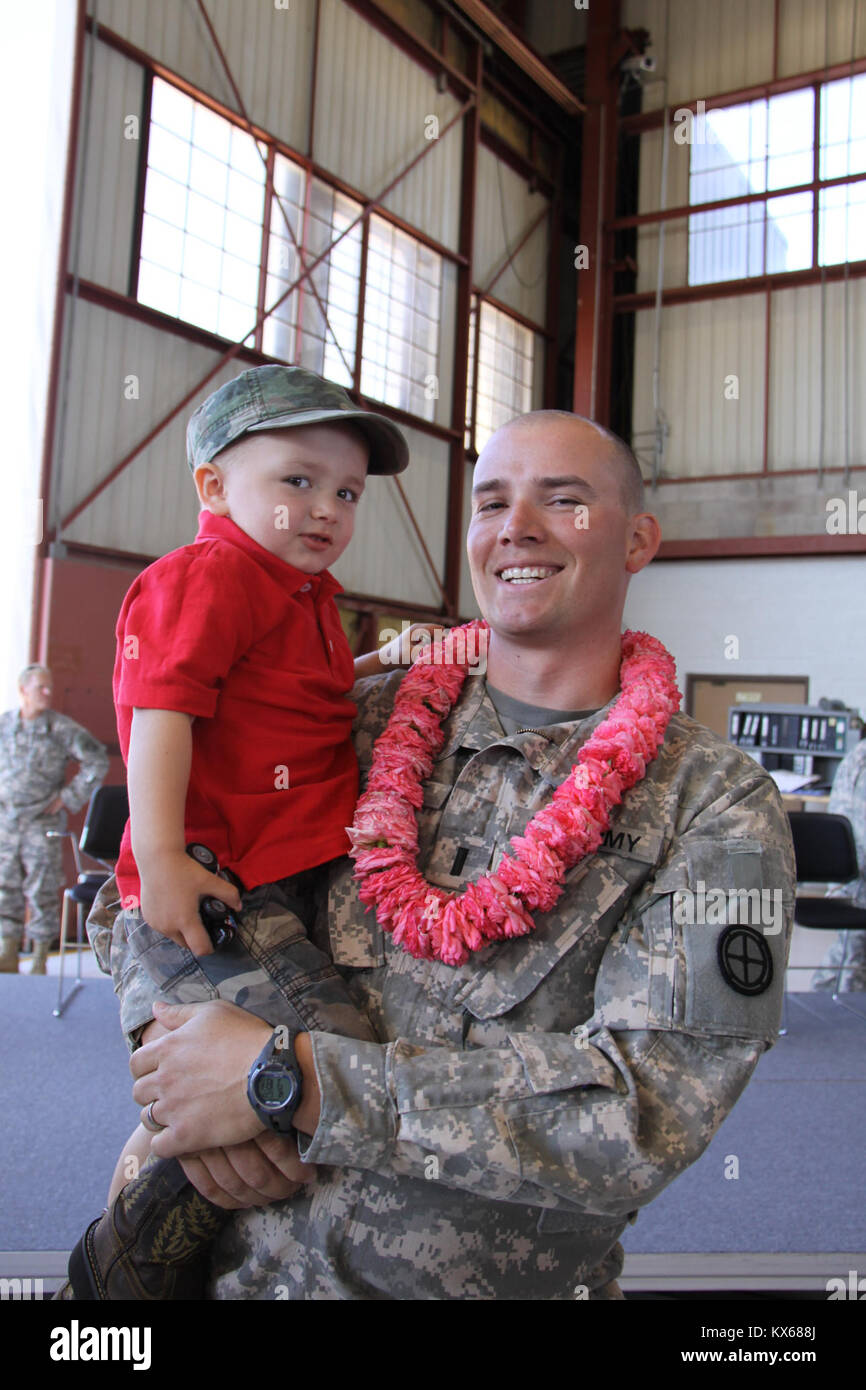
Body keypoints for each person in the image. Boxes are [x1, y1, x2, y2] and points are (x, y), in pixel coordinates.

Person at [118, 410, 795, 1300]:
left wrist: (286, 1083)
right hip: (241, 1277)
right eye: (491, 503)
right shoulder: (345, 728)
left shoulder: (716, 802)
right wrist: (179, 1057)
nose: (517, 527)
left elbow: (646, 1114)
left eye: (563, 500)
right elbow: (161, 878)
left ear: (637, 540)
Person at [65, 364, 412, 1299]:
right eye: (296, 480)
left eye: (345, 491)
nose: (326, 507)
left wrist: (389, 660)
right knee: (327, 1068)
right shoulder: (212, 574)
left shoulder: (304, 597)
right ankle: (117, 1272)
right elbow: (159, 714)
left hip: (277, 890)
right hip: (221, 888)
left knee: (290, 1100)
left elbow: (299, 699)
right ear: (214, 487)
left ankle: (158, 1258)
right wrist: (163, 855)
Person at [0, 664, 108, 973]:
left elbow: (96, 760)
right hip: (6, 821)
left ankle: (38, 957)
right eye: (41, 688)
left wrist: (68, 797)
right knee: (4, 886)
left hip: (41, 823)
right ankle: (7, 950)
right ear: (23, 690)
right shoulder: (5, 725)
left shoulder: (60, 728)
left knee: (42, 890)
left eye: (50, 687)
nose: (48, 693)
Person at [812, 735, 866, 992]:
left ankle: (826, 994)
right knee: (854, 946)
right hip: (858, 881)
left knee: (851, 947)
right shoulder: (861, 759)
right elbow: (857, 841)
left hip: (852, 879)